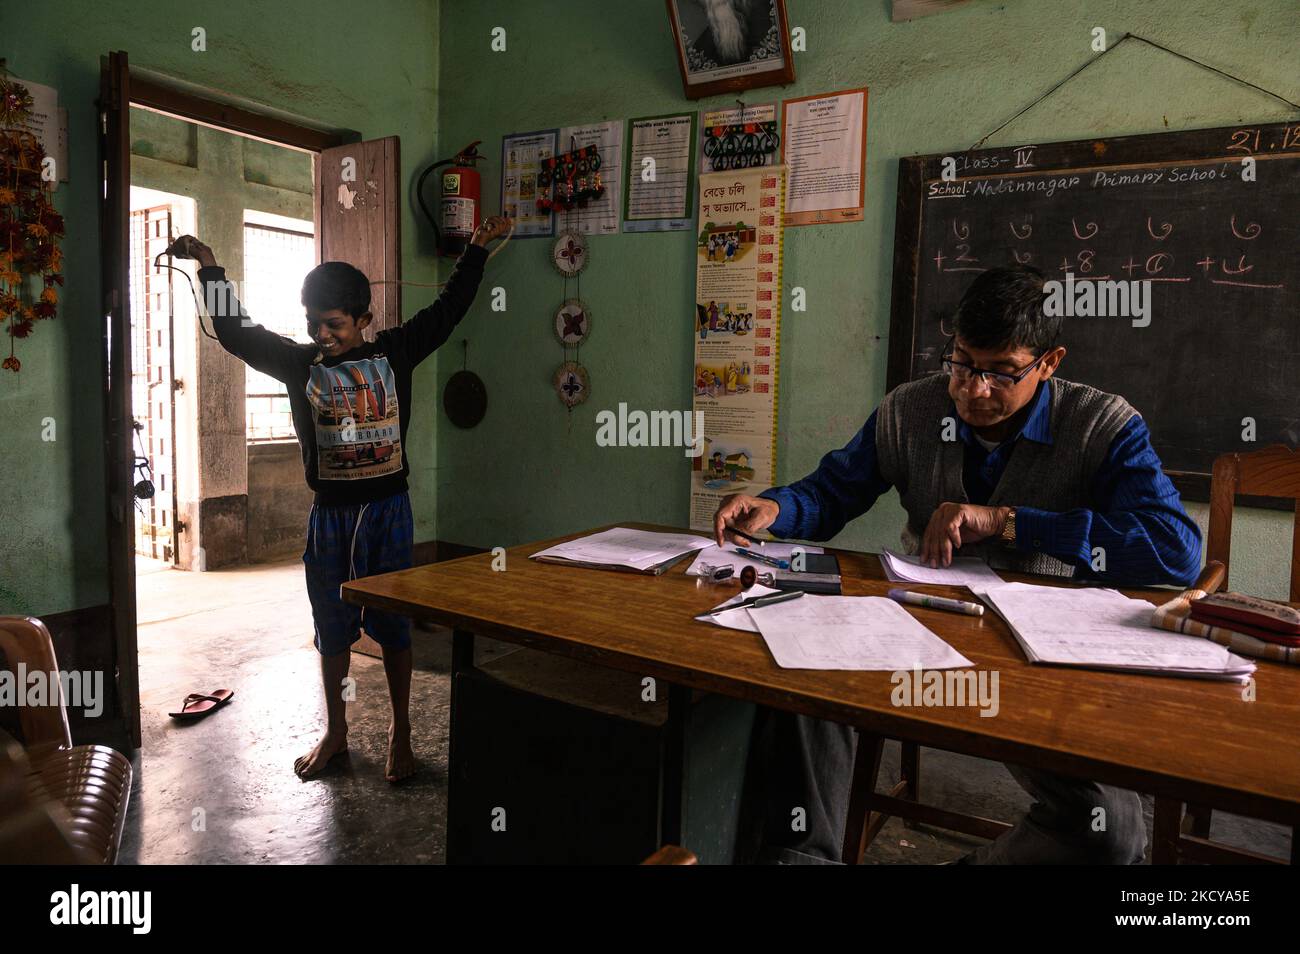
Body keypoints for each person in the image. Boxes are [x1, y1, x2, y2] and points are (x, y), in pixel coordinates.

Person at [713, 264, 1201, 864]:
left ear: (1049, 363)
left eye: (1001, 373)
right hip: (918, 625)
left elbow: (1176, 549)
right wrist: (775, 506)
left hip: (1033, 656)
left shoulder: (1102, 425)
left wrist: (1011, 522)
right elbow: (833, 490)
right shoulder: (910, 410)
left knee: (1109, 830)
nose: (973, 390)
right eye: (964, 363)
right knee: (797, 677)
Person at [174, 216, 510, 782]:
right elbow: (238, 333)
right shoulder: (299, 364)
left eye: (333, 324)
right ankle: (336, 730)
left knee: (395, 629)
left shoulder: (397, 353)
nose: (321, 335)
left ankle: (400, 732)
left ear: (364, 319)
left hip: (388, 517)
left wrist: (476, 247)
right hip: (329, 520)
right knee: (331, 629)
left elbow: (449, 309)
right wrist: (210, 265)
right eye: (313, 324)